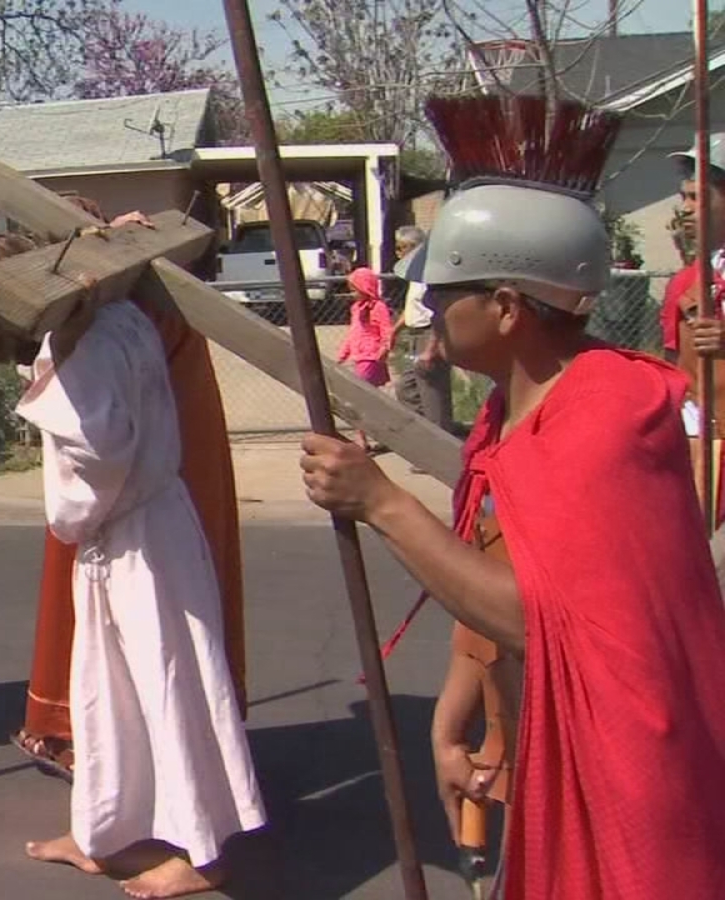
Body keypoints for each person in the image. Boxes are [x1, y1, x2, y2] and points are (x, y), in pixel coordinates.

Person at [302, 94, 725, 898]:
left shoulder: (602, 419)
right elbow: (493, 568)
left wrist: (384, 505)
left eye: (440, 298)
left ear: (505, 307)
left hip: (628, 773)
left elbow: (541, 614)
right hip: (550, 748)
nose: (423, 317)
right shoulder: (509, 410)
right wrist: (454, 718)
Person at [0, 236, 264, 899]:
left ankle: (204, 854)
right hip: (142, 528)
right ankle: (106, 831)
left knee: (167, 682)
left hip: (136, 538)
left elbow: (99, 457)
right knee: (107, 688)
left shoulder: (80, 344)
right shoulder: (121, 316)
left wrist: (72, 522)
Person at [8, 199, 248, 785]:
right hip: (146, 500)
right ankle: (117, 796)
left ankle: (179, 804)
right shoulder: (135, 307)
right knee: (116, 660)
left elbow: (100, 443)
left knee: (155, 657)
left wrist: (74, 513)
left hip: (131, 513)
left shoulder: (120, 316)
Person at [659, 132, 725, 525]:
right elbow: (672, 372)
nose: (685, 209)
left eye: (698, 197)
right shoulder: (684, 284)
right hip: (703, 452)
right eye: (684, 197)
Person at [389, 226, 455, 436]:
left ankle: (441, 446)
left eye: (402, 248)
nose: (398, 253)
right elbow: (411, 309)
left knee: (431, 393)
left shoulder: (429, 275)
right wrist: (395, 330)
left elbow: (438, 313)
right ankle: (423, 437)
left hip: (430, 334)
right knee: (406, 388)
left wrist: (432, 348)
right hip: (415, 335)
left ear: (416, 248)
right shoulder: (414, 276)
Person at [336, 266, 394, 451]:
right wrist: (343, 354)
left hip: (371, 358)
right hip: (359, 356)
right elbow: (353, 333)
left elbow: (386, 329)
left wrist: (385, 348)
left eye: (355, 289)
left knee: (357, 397)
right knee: (367, 399)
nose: (352, 294)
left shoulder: (378, 307)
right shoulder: (356, 308)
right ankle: (377, 434)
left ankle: (361, 438)